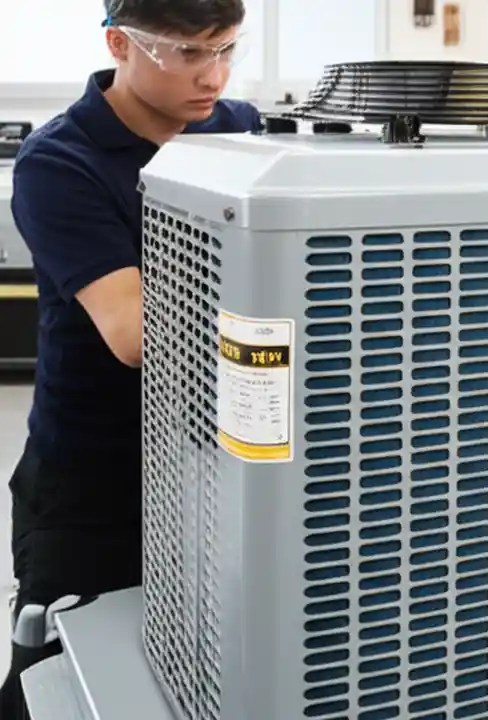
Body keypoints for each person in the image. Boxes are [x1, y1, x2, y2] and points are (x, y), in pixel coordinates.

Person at [2, 0, 259, 713]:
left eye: (227, 49)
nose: (214, 76)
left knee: (193, 674)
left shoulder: (239, 132)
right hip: (93, 477)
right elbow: (134, 334)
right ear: (120, 43)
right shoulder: (60, 162)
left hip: (215, 467)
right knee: (57, 678)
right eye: (187, 54)